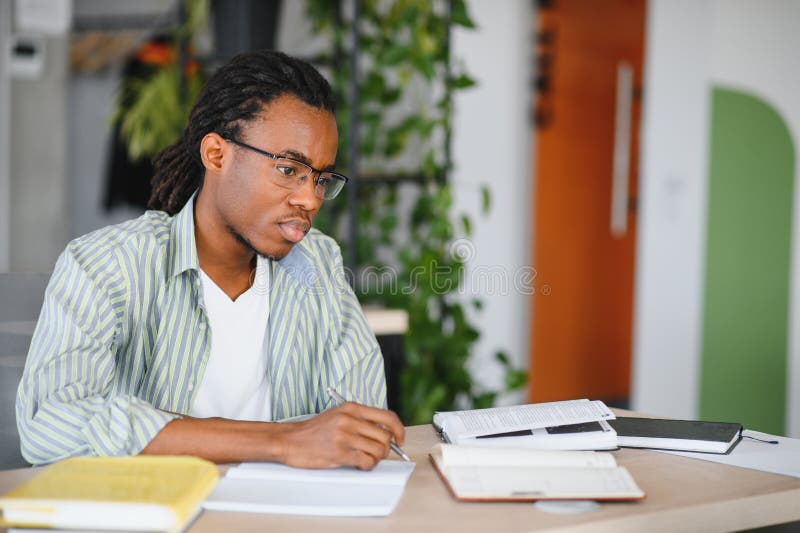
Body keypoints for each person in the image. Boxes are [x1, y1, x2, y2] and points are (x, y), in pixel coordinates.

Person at [16, 50, 404, 470]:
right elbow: (47, 424)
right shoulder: (107, 265)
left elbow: (359, 419)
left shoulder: (317, 262)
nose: (310, 198)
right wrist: (279, 440)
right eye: (289, 169)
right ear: (216, 154)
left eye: (321, 178)